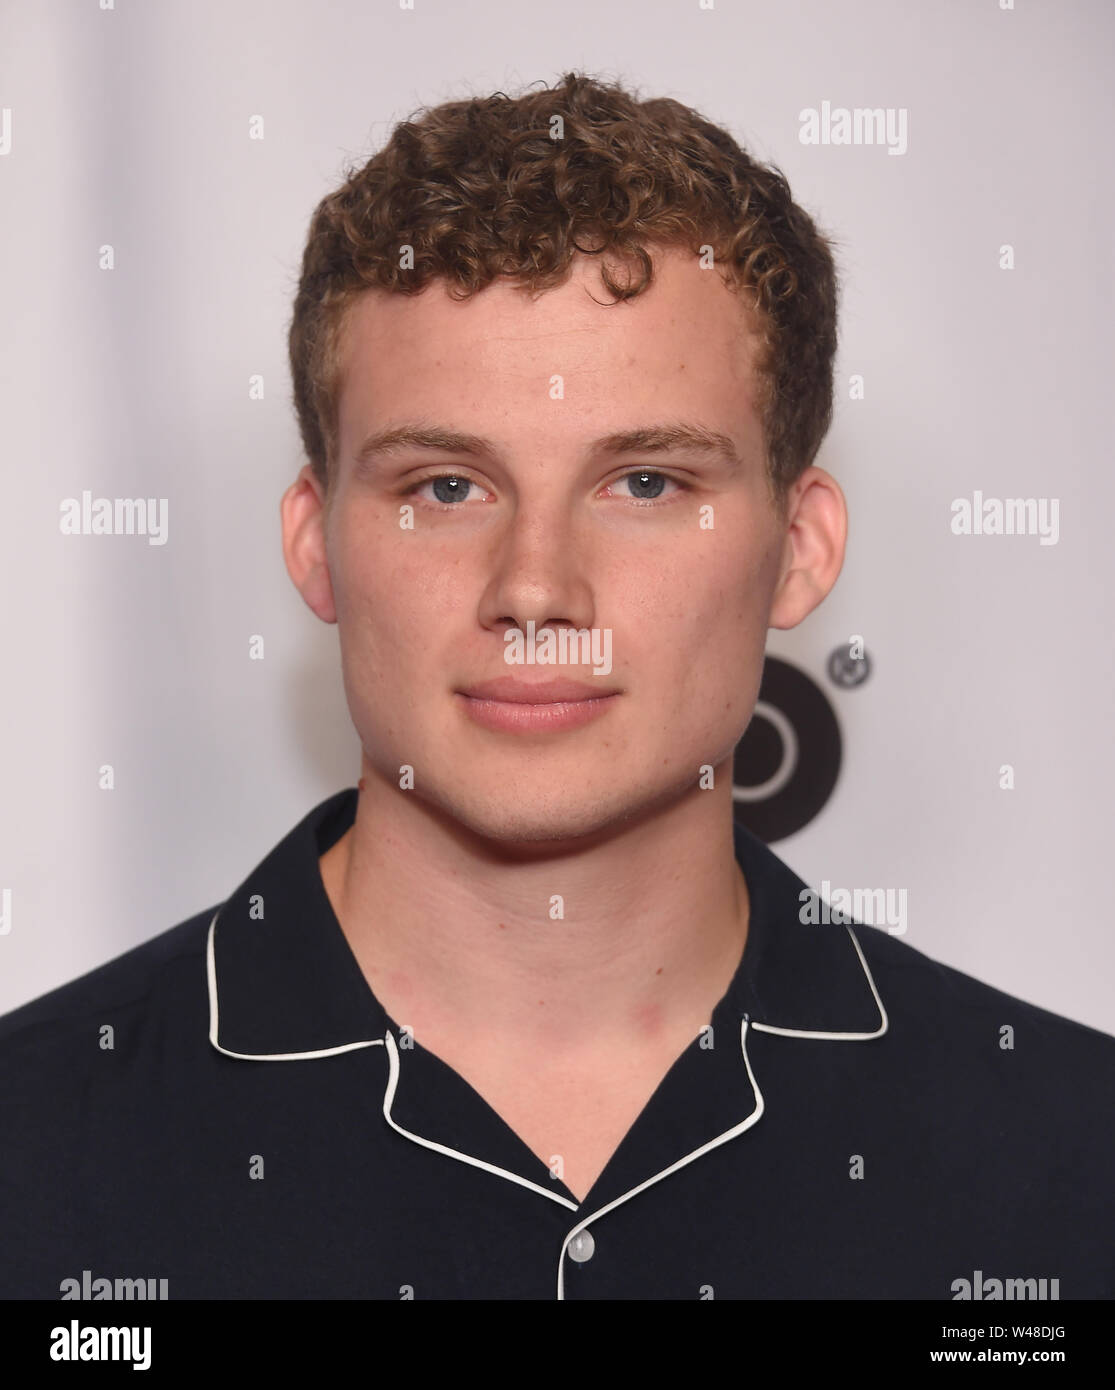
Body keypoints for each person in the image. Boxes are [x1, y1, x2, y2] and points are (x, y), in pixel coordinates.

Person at [2, 71, 1112, 1302]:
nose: (534, 589)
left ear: (800, 549)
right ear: (315, 545)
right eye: (443, 486)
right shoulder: (32, 1147)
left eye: (643, 483)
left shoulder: (1067, 1163)